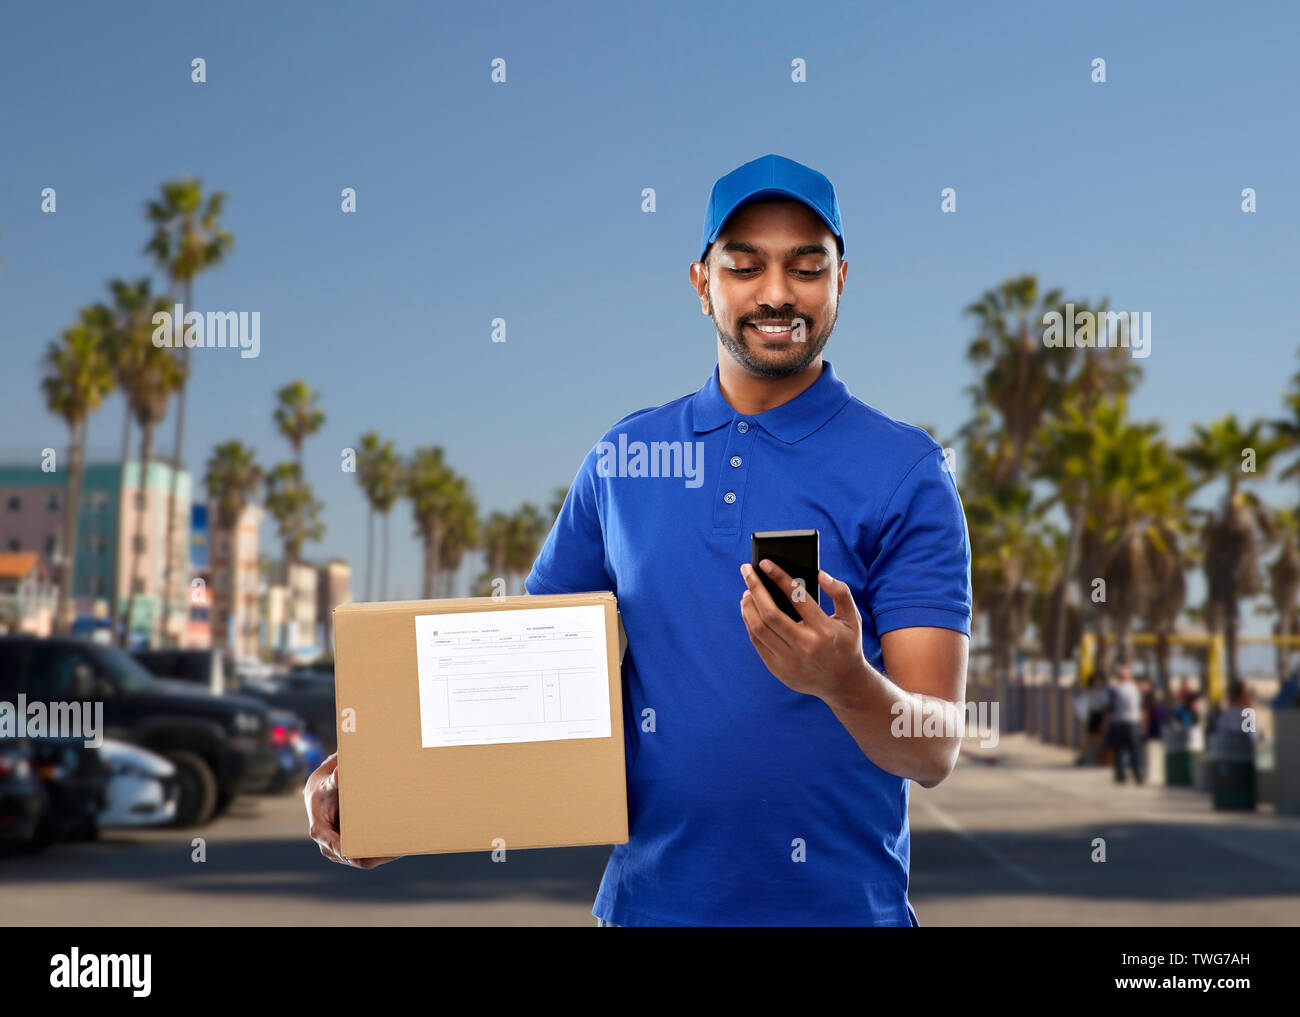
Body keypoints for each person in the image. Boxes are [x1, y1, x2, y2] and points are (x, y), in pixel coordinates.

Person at [304, 154, 973, 926]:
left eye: (807, 266)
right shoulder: (624, 459)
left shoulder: (906, 470)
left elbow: (934, 746)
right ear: (702, 283)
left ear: (841, 280)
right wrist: (391, 793)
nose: (777, 292)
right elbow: (524, 687)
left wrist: (844, 678)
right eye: (745, 265)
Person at [1104, 663, 1146, 784]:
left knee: (1120, 750)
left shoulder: (1116, 690)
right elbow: (1142, 708)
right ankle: (1137, 774)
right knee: (1135, 750)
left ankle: (1121, 775)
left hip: (1119, 723)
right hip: (1132, 723)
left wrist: (1106, 724)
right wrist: (1143, 724)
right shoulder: (1135, 689)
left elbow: (1110, 710)